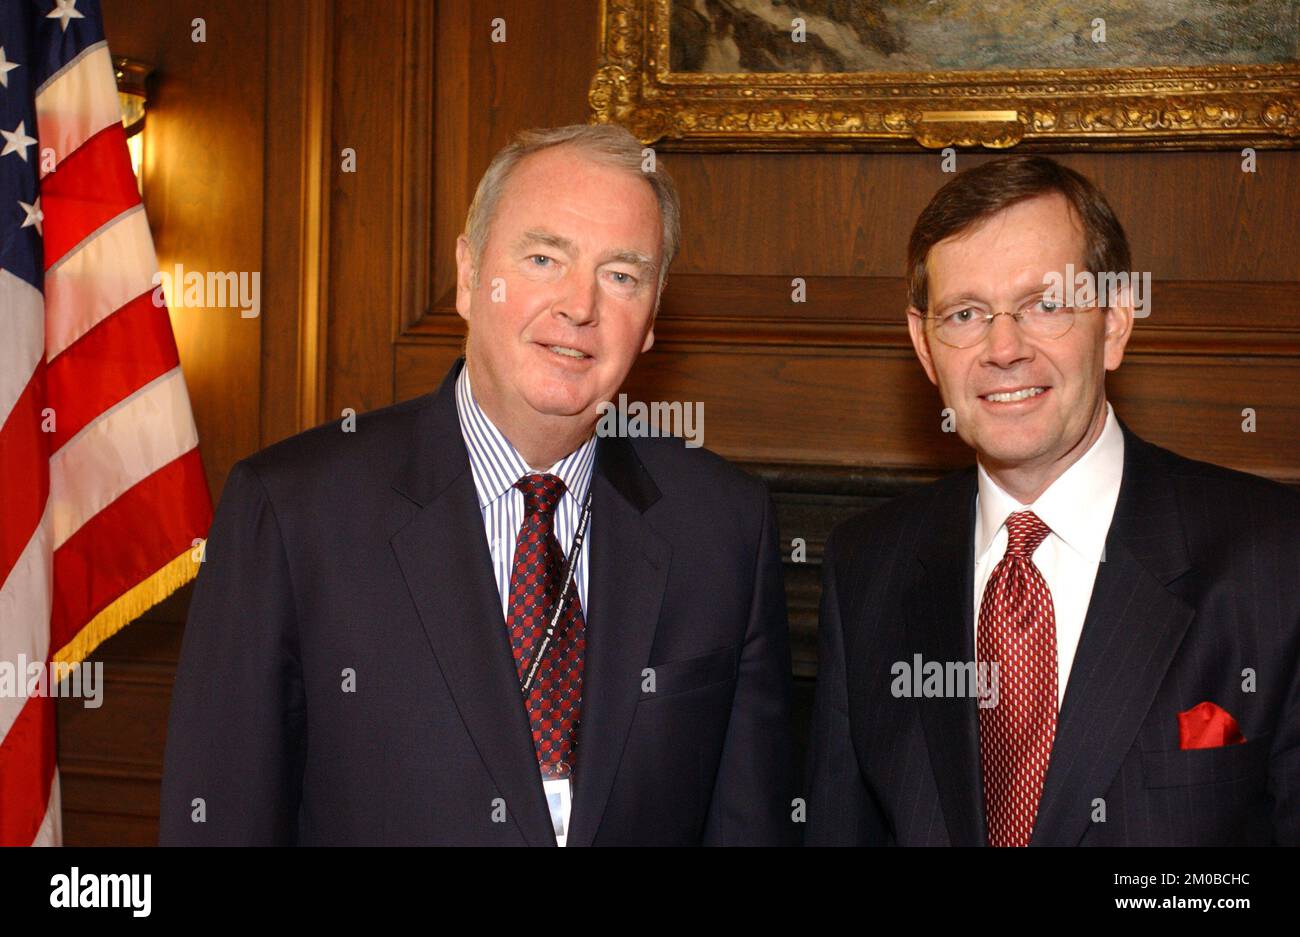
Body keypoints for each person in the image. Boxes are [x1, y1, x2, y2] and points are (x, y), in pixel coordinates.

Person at [160, 124, 796, 846]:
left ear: (651, 317)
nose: (579, 305)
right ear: (467, 276)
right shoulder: (292, 513)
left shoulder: (725, 528)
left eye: (622, 275)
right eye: (543, 256)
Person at [805, 155, 1299, 846]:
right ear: (925, 345)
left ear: (1116, 322)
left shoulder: (1274, 561)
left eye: (1046, 304)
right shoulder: (868, 567)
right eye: (966, 313)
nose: (1003, 348)